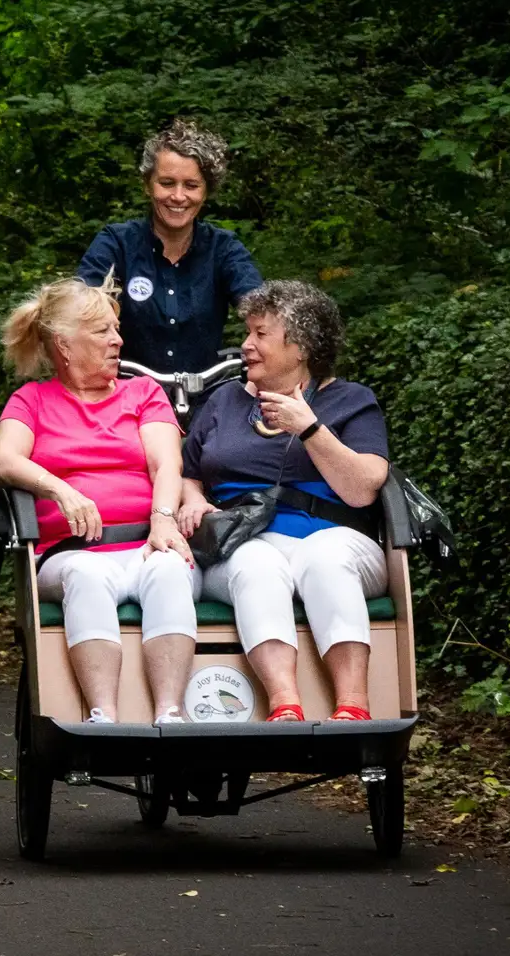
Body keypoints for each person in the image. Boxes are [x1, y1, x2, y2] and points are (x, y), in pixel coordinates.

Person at [0, 277, 198, 724]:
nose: (117, 340)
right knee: (86, 574)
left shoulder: (142, 393)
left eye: (116, 329)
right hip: (70, 554)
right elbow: (2, 460)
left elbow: (166, 464)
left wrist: (163, 519)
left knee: (169, 570)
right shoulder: (34, 401)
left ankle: (171, 714)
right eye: (102, 331)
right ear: (64, 344)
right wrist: (60, 489)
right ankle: (104, 717)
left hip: (145, 542)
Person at [176, 280, 390, 721]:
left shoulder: (350, 400)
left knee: (324, 557)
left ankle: (354, 707)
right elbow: (185, 473)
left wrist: (309, 428)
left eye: (260, 334)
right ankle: (284, 706)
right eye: (247, 333)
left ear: (302, 348)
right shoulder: (223, 401)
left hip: (335, 536)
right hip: (238, 540)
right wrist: (192, 499)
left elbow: (363, 487)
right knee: (258, 564)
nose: (246, 345)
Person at [76, 118, 263, 374]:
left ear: (206, 191)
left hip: (207, 399)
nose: (178, 196)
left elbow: (260, 305)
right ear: (147, 185)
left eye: (191, 185)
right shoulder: (116, 243)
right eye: (166, 183)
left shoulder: (223, 248)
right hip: (125, 396)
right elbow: (79, 309)